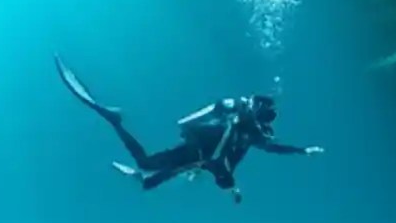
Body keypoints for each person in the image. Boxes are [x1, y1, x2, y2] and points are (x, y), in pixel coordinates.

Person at [54, 54, 322, 204]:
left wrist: (301, 150)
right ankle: (116, 124)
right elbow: (269, 148)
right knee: (152, 167)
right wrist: (302, 151)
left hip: (200, 152)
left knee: (151, 171)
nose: (266, 123)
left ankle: (124, 141)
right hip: (201, 152)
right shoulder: (244, 124)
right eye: (267, 117)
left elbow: (261, 148)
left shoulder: (243, 121)